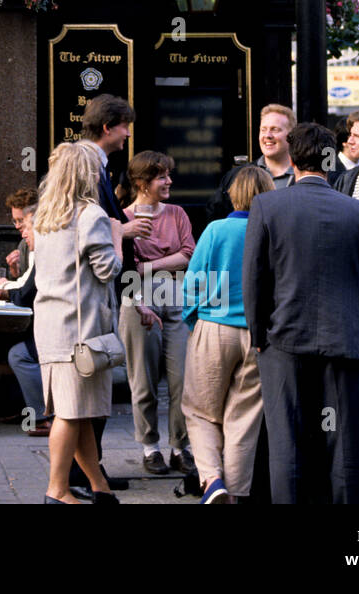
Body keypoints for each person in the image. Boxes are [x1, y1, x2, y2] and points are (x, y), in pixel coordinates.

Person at [243, 122, 359, 504]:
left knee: (287, 443)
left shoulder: (268, 205)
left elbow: (254, 278)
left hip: (282, 339)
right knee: (346, 445)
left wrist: (258, 335)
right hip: (344, 337)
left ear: (292, 158)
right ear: (330, 159)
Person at [33, 140, 122, 504]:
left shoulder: (44, 217)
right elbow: (107, 269)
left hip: (51, 326)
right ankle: (57, 491)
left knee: (78, 413)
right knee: (69, 416)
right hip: (81, 333)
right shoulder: (91, 216)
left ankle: (100, 487)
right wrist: (117, 238)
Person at [182, 165, 274, 504]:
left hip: (214, 327)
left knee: (201, 410)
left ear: (233, 194)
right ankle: (234, 494)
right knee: (243, 418)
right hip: (257, 333)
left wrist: (194, 322)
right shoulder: (271, 230)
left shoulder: (215, 230)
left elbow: (193, 283)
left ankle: (212, 480)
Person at [77, 93, 148, 494]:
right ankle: (84, 476)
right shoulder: (89, 164)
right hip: (93, 288)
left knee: (93, 391)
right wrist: (123, 228)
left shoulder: (96, 164)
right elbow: (89, 217)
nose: (126, 136)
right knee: (90, 390)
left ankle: (91, 474)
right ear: (108, 127)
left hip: (99, 286)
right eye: (124, 127)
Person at [118, 150, 196, 476]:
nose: (169, 181)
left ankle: (181, 446)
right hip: (137, 298)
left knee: (183, 381)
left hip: (177, 299)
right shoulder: (123, 219)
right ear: (141, 182)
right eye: (162, 176)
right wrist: (163, 262)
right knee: (143, 380)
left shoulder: (177, 213)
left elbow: (188, 255)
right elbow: (125, 265)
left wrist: (148, 265)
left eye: (168, 174)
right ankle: (150, 446)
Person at [2, 188, 47, 436]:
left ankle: (41, 417)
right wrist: (15, 274)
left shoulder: (45, 243)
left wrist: (8, 290)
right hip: (34, 317)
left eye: (23, 222)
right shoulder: (25, 242)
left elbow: (29, 291)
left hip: (50, 324)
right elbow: (27, 284)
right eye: (16, 222)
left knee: (19, 353)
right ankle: (20, 407)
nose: (20, 228)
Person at [206, 104, 298, 223]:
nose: (267, 136)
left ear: (291, 135)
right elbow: (216, 217)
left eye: (275, 129)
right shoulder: (236, 176)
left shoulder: (305, 176)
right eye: (263, 129)